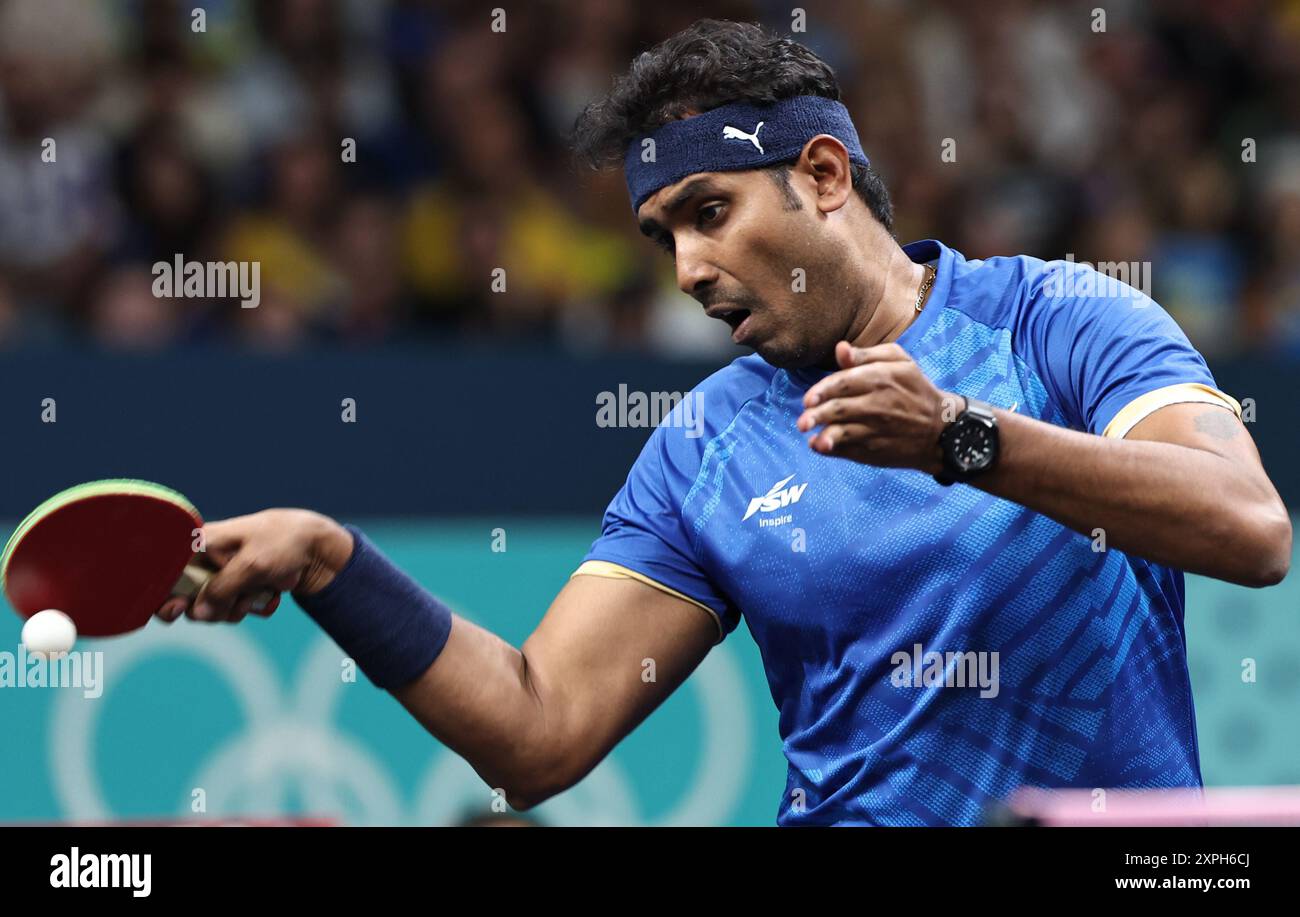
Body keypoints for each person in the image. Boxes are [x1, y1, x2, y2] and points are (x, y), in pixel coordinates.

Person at [155, 20, 1292, 826]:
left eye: (710, 212)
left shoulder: (1059, 319)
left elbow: (1249, 527)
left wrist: (961, 438)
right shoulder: (703, 448)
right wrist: (330, 559)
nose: (690, 269)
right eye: (663, 238)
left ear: (824, 172)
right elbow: (538, 729)